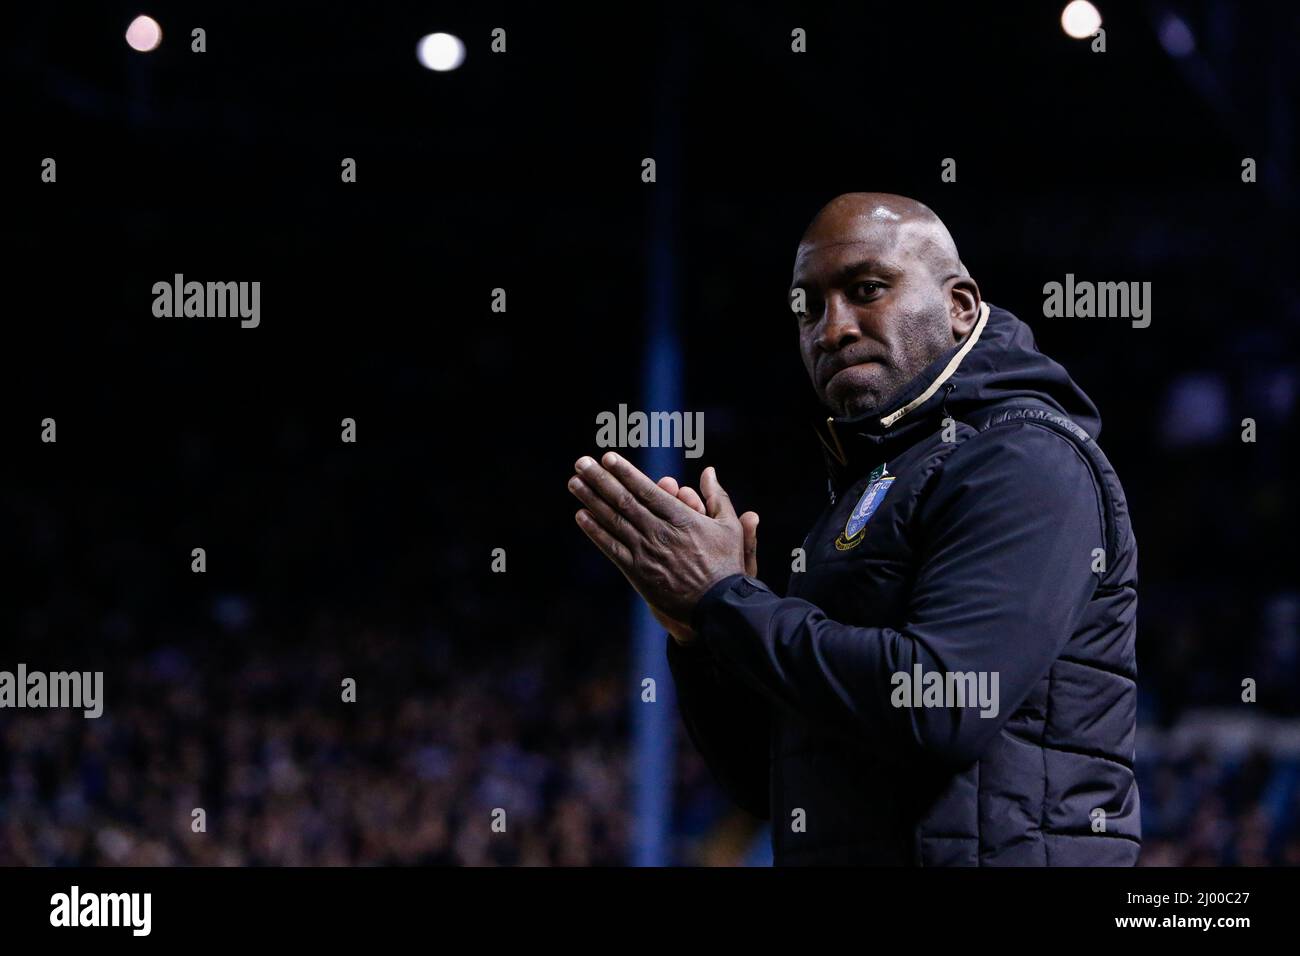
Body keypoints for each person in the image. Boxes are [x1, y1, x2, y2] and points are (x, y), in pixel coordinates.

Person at [567, 193, 1139, 865]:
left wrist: (728, 599)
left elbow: (943, 703)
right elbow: (773, 778)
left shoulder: (1023, 458)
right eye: (807, 307)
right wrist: (703, 636)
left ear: (960, 306)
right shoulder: (866, 489)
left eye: (867, 289)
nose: (831, 328)